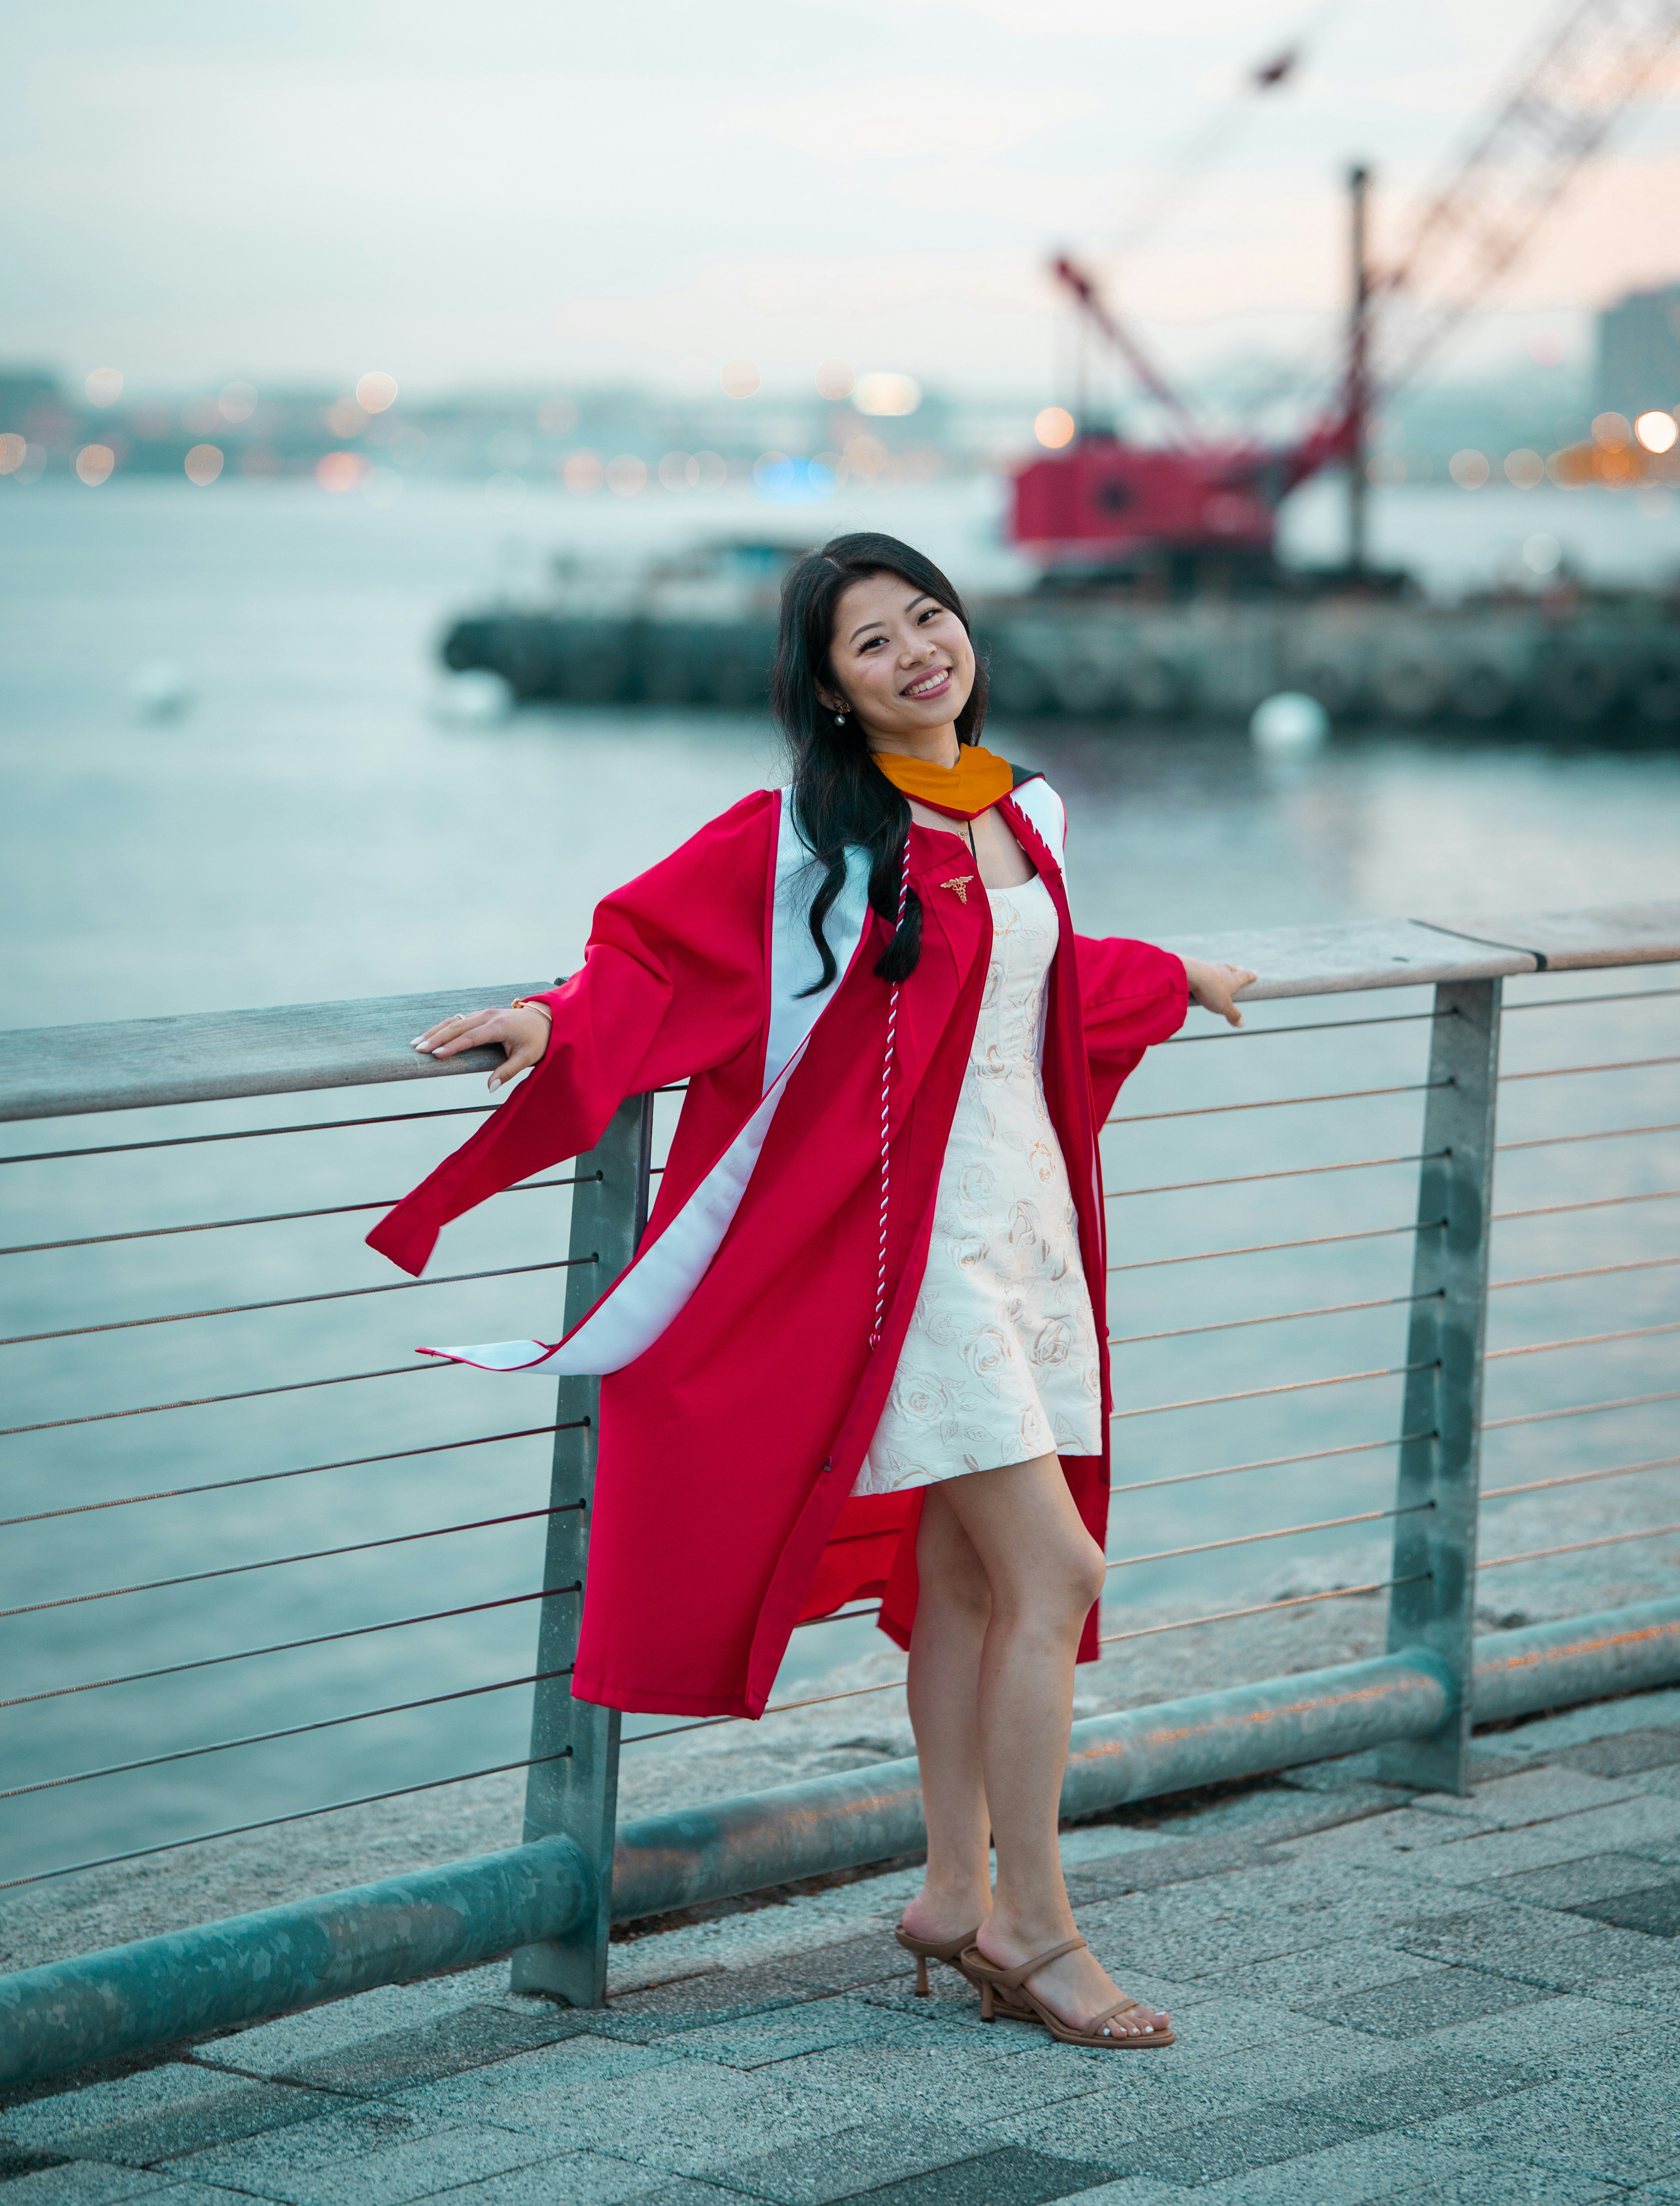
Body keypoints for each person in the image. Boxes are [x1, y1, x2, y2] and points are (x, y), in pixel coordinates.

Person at [371, 533, 1255, 2049]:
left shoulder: (1020, 815)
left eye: (930, 617)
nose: (920, 652)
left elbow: (1034, 987)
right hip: (904, 1266)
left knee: (977, 1583)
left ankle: (949, 1895)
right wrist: (546, 1018)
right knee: (1058, 1573)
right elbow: (652, 959)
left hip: (1025, 1240)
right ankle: (1038, 1930)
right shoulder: (807, 844)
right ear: (831, 691)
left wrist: (1176, 978)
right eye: (874, 644)